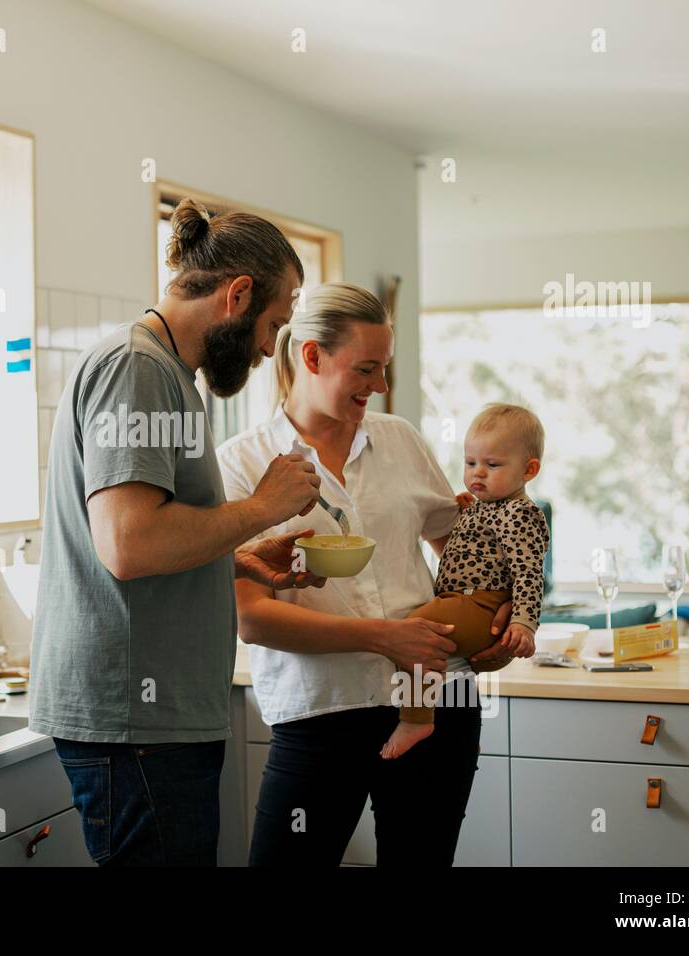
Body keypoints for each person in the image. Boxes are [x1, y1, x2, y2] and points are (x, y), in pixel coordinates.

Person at [29, 198, 326, 866]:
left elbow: (152, 539)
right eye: (272, 326)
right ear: (238, 294)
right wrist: (262, 506)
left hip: (152, 718)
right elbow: (129, 546)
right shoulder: (137, 370)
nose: (263, 348)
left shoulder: (164, 372)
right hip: (135, 722)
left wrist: (241, 559)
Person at [216, 281, 516, 867]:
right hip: (321, 711)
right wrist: (382, 638)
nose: (380, 386)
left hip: (438, 701)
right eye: (367, 368)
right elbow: (252, 619)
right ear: (311, 356)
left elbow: (462, 557)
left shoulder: (400, 439)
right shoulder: (240, 464)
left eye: (386, 368)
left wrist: (496, 619)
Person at [383, 403, 548, 759]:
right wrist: (466, 512)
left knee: (413, 634)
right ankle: (438, 726)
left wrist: (524, 621)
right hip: (463, 599)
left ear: (529, 469)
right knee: (416, 636)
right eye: (470, 463)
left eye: (492, 465)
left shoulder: (521, 513)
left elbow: (529, 571)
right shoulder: (484, 506)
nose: (478, 473)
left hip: (481, 603)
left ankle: (417, 718)